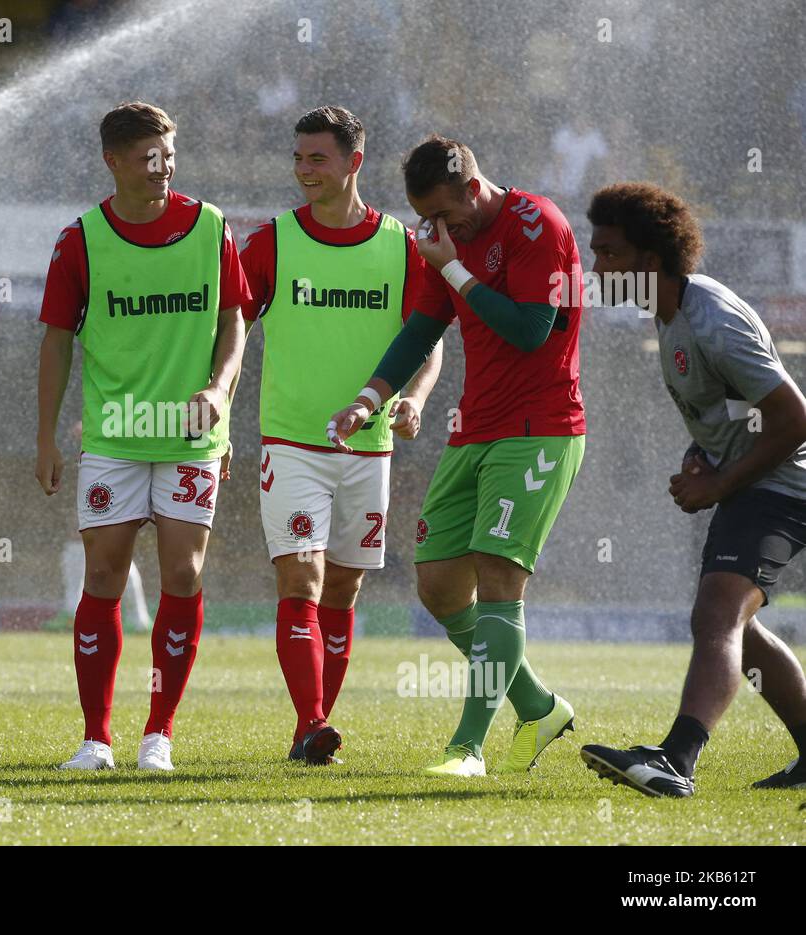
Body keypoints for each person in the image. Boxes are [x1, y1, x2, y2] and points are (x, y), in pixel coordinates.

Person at [330, 135, 584, 777]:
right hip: (475, 428)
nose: (437, 229)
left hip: (539, 428)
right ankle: (538, 705)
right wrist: (368, 399)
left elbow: (530, 331)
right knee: (440, 585)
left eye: (446, 214)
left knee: (499, 579)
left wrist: (456, 269)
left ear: (474, 187)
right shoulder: (443, 239)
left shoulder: (537, 224)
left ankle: (466, 749)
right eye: (427, 218)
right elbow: (422, 328)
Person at [36, 101, 248, 771]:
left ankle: (159, 733)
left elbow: (234, 323)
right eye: (149, 156)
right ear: (114, 161)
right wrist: (45, 435)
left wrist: (219, 391)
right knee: (101, 574)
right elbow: (56, 341)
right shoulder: (81, 240)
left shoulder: (210, 227)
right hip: (114, 437)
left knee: (183, 573)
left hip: (190, 438)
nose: (163, 167)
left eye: (169, 154)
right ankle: (96, 737)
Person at [580, 183, 806, 797]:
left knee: (716, 615)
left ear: (650, 261)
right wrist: (700, 460)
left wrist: (719, 485)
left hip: (786, 483)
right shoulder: (670, 314)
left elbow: (793, 417)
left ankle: (676, 760)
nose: (594, 266)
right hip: (760, 480)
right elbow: (726, 413)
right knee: (739, 628)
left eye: (608, 253)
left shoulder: (710, 320)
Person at [238, 106, 441, 764]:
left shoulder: (400, 246)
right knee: (301, 579)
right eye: (298, 159)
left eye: (317, 159)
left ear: (354, 161)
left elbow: (426, 337)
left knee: (344, 590)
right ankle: (312, 722)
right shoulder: (271, 242)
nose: (304, 171)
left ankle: (312, 728)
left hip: (370, 447)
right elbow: (227, 327)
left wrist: (413, 398)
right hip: (292, 442)